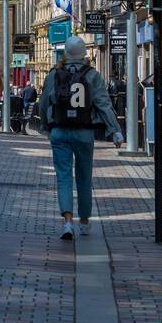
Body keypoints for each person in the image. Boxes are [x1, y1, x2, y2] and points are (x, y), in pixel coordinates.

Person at [39, 35, 124, 240]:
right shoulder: (92, 75)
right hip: (84, 132)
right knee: (84, 178)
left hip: (60, 131)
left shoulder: (54, 74)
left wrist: (46, 126)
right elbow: (103, 104)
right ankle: (84, 222)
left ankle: (67, 222)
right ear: (84, 54)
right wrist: (115, 130)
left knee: (63, 177)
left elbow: (43, 103)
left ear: (66, 53)